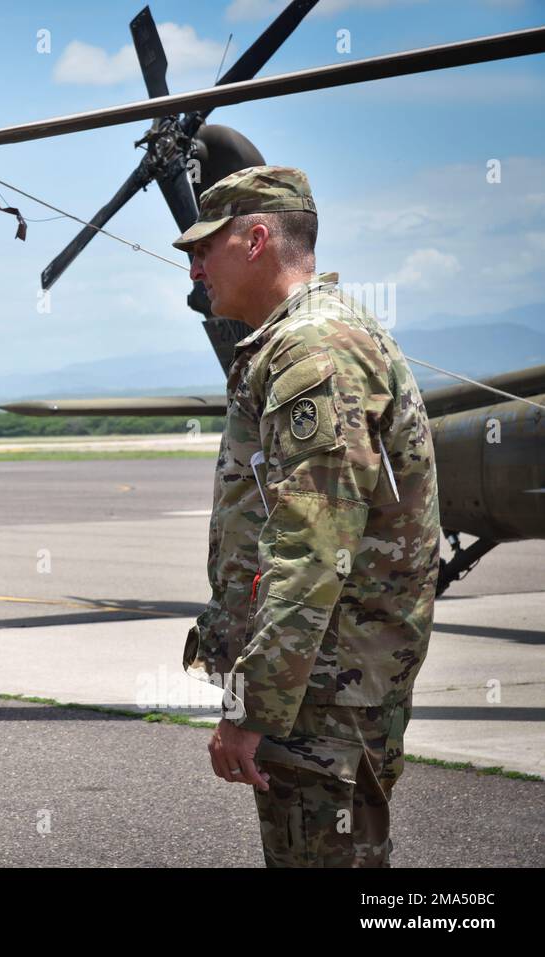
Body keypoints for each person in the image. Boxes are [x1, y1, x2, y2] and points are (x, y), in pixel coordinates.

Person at [173, 166, 440, 867]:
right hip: (323, 686)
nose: (196, 265)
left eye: (207, 247)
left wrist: (252, 706)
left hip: (324, 693)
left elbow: (313, 545)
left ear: (257, 239)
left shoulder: (312, 349)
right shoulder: (299, 340)